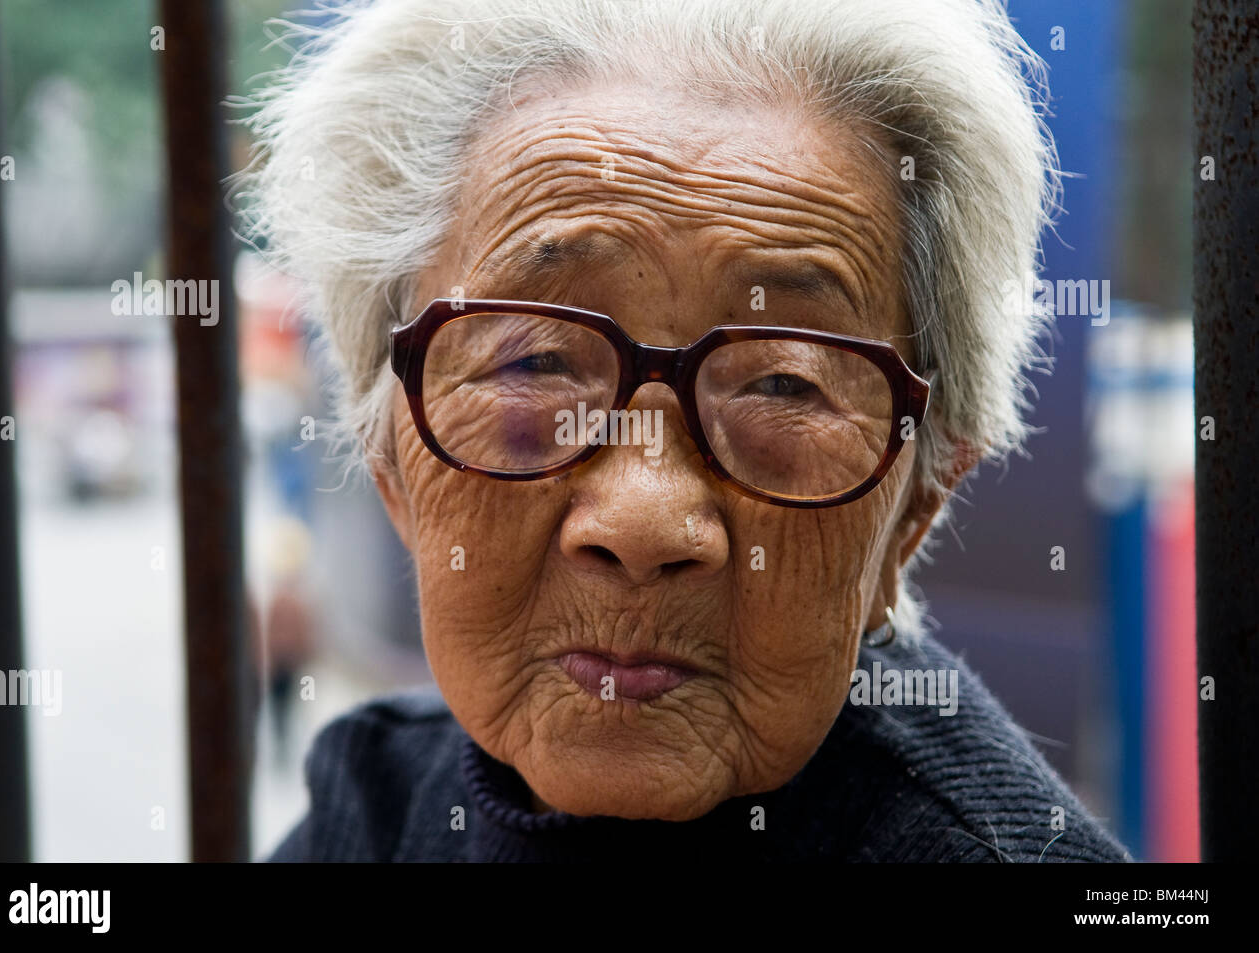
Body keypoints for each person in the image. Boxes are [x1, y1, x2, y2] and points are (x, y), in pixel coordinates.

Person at [241, 0, 1131, 862]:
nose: (643, 522)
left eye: (784, 383)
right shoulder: (370, 811)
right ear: (388, 452)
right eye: (536, 362)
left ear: (916, 508)